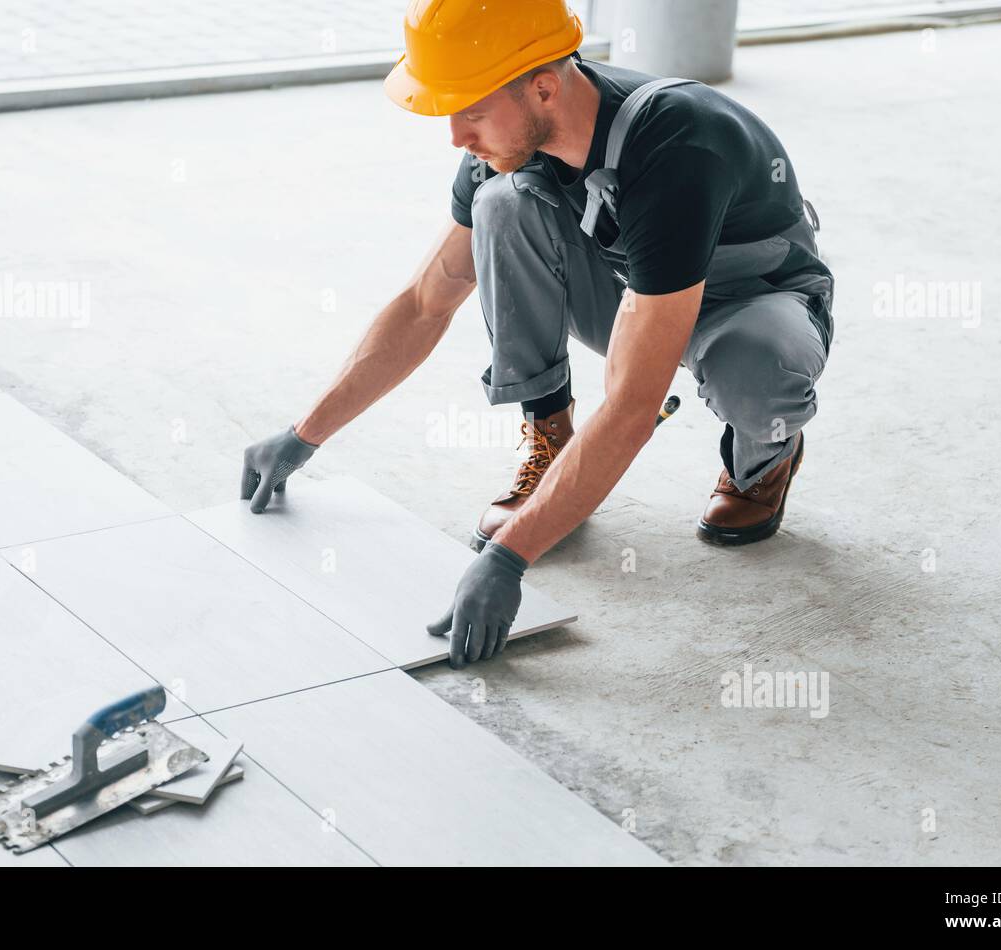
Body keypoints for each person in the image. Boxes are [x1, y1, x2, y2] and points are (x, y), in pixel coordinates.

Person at [242, 0, 834, 669]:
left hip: (750, 302)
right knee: (502, 204)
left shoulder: (677, 148)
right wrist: (305, 433)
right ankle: (550, 439)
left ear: (543, 86)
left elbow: (635, 405)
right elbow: (424, 303)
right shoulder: (507, 143)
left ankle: (764, 463)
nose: (456, 137)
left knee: (757, 376)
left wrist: (510, 557)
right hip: (638, 292)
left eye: (469, 109)